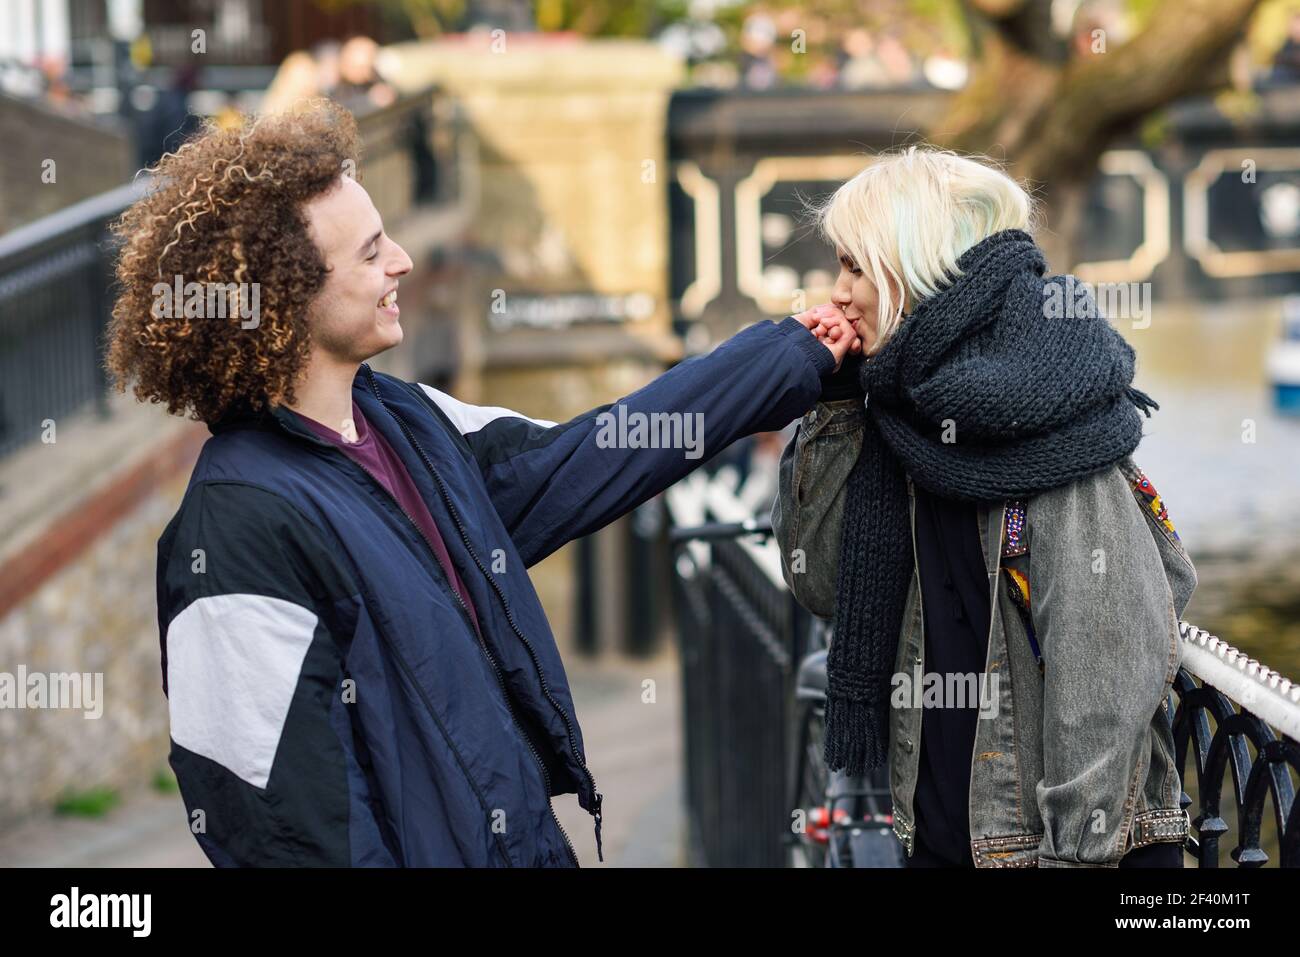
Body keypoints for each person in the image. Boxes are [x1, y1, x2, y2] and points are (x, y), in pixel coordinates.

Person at [104, 99, 857, 867]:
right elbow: (277, 826)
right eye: (370, 253)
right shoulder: (234, 527)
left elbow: (594, 455)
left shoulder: (408, 419)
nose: (402, 260)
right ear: (289, 297)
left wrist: (791, 353)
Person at [776, 146, 1195, 868]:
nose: (838, 291)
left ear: (919, 264)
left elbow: (1107, 663)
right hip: (944, 836)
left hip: (1060, 851)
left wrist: (1071, 855)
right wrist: (836, 408)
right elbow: (821, 584)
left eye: (855, 265)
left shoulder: (1054, 418)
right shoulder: (895, 411)